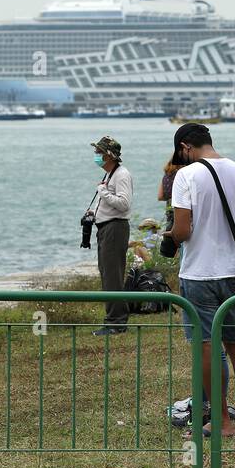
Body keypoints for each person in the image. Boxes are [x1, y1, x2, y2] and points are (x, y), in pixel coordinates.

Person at [166, 123, 235, 436]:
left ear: (186, 147)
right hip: (234, 274)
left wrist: (168, 235)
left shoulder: (186, 175)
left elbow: (183, 231)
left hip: (199, 274)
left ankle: (222, 421)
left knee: (207, 347)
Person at [87, 136, 133, 336]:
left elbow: (124, 204)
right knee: (107, 273)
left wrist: (103, 192)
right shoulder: (110, 175)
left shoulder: (121, 175)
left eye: (100, 152)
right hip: (106, 228)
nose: (97, 156)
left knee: (112, 275)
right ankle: (112, 319)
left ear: (109, 155)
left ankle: (116, 322)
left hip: (115, 228)